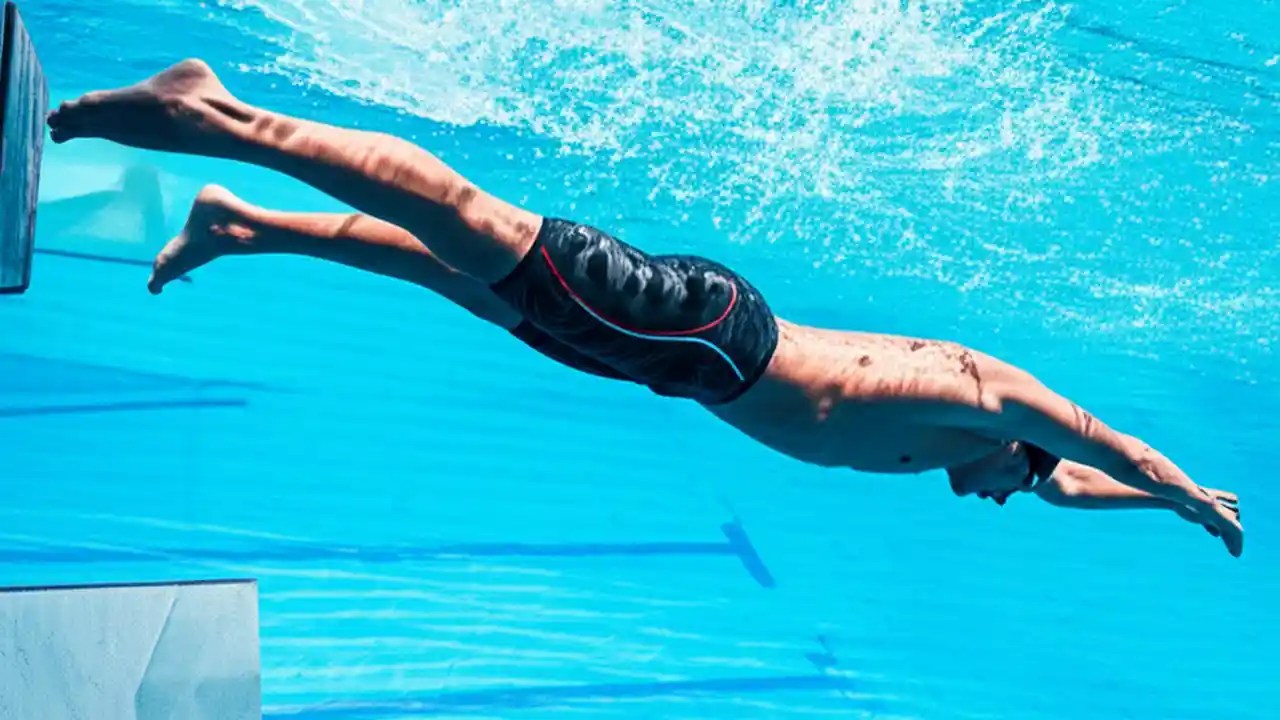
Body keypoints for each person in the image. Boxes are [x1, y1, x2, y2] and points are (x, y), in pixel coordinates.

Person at [47, 59, 1243, 556]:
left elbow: (1077, 479)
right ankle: (223, 118)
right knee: (472, 224)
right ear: (1014, 445)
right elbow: (1099, 442)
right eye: (1014, 480)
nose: (997, 495)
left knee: (455, 277)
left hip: (679, 363)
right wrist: (1184, 492)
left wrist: (1156, 510)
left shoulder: (990, 453)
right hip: (703, 335)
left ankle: (240, 225)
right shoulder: (992, 402)